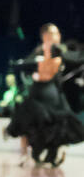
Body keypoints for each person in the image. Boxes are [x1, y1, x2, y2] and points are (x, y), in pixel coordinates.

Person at [7, 24, 84, 167]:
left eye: (58, 33)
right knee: (26, 121)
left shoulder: (61, 50)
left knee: (57, 124)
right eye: (54, 33)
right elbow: (26, 66)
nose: (58, 35)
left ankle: (53, 153)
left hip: (53, 93)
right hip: (37, 93)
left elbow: (76, 60)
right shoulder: (38, 52)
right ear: (45, 35)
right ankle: (26, 154)